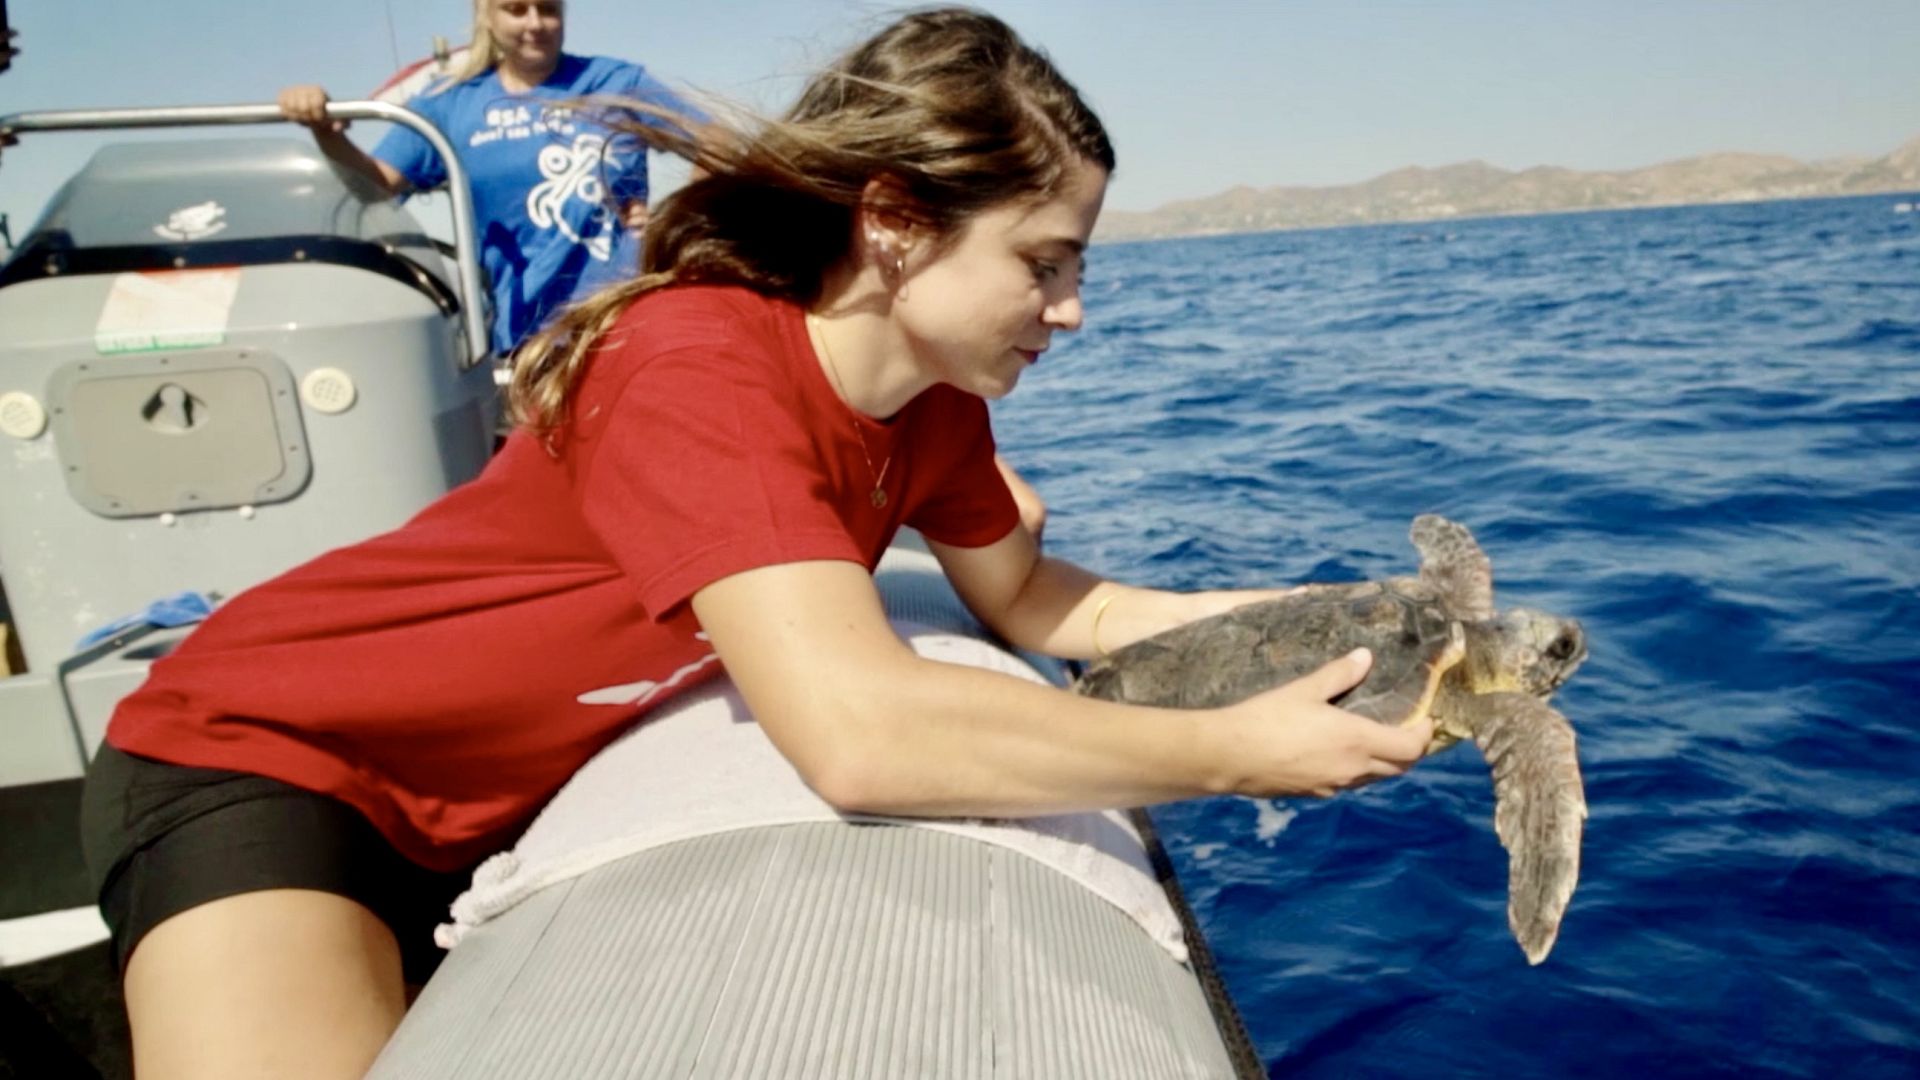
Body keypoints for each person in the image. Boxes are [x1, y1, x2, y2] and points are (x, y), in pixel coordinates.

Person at [83, 8, 1434, 1077]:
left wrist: (1347, 618)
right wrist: (1235, 753)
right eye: (1044, 262)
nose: (1072, 308)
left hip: (481, 800)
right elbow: (861, 736)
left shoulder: (935, 409)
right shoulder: (693, 365)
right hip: (269, 758)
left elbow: (1042, 606)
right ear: (895, 222)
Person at [278, 0, 709, 357]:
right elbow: (376, 186)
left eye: (548, 9)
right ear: (486, 15)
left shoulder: (617, 82)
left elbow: (717, 145)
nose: (535, 23)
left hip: (626, 321)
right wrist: (326, 133)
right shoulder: (449, 104)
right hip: (527, 337)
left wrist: (674, 223)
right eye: (516, 9)